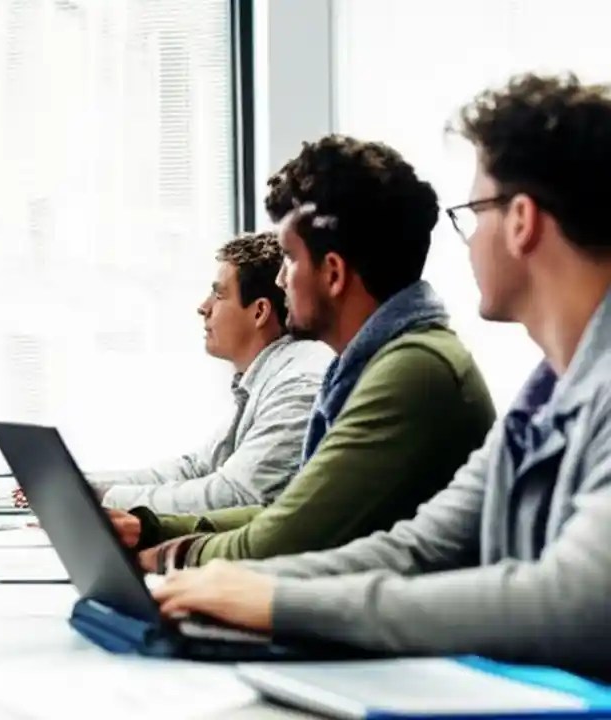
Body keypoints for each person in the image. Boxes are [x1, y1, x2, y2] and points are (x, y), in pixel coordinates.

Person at [150, 73, 611, 681]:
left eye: (473, 213)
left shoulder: (430, 371)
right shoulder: (543, 397)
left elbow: (572, 603)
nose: (468, 241)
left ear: (522, 221)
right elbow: (419, 548)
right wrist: (227, 582)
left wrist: (277, 601)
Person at [115, 135, 496, 570]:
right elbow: (293, 516)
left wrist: (165, 555)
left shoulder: (414, 371)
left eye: (290, 260)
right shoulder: (372, 365)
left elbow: (285, 540)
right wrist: (150, 529)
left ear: (332, 273)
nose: (279, 281)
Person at [85, 231, 332, 514]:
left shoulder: (299, 381)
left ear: (259, 312)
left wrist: (108, 500)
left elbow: (237, 495)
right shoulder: (267, 377)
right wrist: (90, 487)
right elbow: (197, 467)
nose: (203, 307)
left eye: (218, 294)